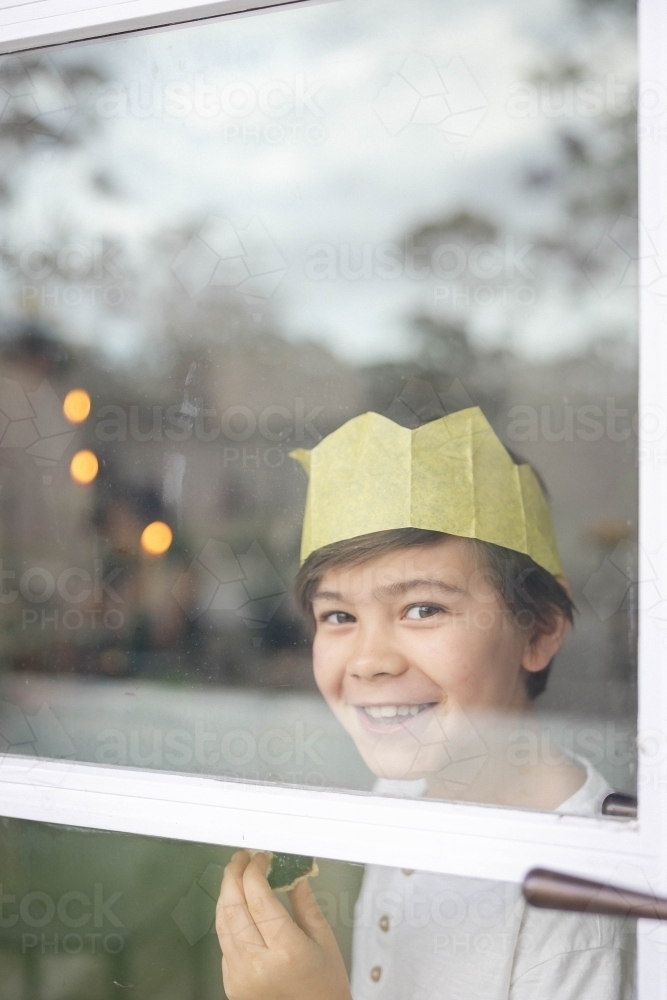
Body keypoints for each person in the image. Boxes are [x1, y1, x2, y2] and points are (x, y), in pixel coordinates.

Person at [215, 408, 636, 1000]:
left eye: (423, 608)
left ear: (538, 628)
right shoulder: (405, 792)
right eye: (338, 616)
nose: (368, 660)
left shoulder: (580, 896)